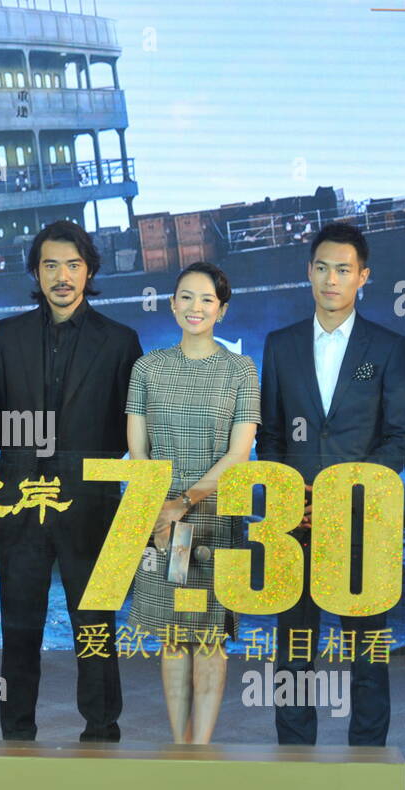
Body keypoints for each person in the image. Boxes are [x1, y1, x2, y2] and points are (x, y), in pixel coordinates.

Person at [257, 221, 405, 746]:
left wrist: (347, 491)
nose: (331, 279)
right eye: (322, 268)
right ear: (309, 273)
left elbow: (400, 438)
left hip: (360, 520)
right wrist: (288, 494)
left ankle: (367, 762)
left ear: (363, 277)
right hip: (294, 522)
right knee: (294, 649)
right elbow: (272, 436)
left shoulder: (390, 348)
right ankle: (293, 757)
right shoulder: (279, 346)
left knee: (367, 648)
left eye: (343, 270)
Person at [0, 220, 143, 742]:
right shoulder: (6, 336)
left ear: (89, 270)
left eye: (73, 265)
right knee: (18, 628)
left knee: (95, 625)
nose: (62, 276)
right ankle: (16, 730)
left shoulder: (121, 342)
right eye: (50, 265)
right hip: (20, 505)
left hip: (92, 506)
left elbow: (133, 429)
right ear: (36, 271)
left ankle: (102, 728)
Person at [126, 263, 259, 744]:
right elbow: (137, 449)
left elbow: (239, 453)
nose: (195, 307)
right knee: (172, 635)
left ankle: (201, 745)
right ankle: (179, 743)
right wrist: (160, 507)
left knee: (208, 637)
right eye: (186, 297)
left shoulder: (239, 369)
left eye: (206, 299)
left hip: (214, 518)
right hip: (160, 518)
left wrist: (184, 501)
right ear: (172, 305)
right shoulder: (148, 369)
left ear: (222, 310)